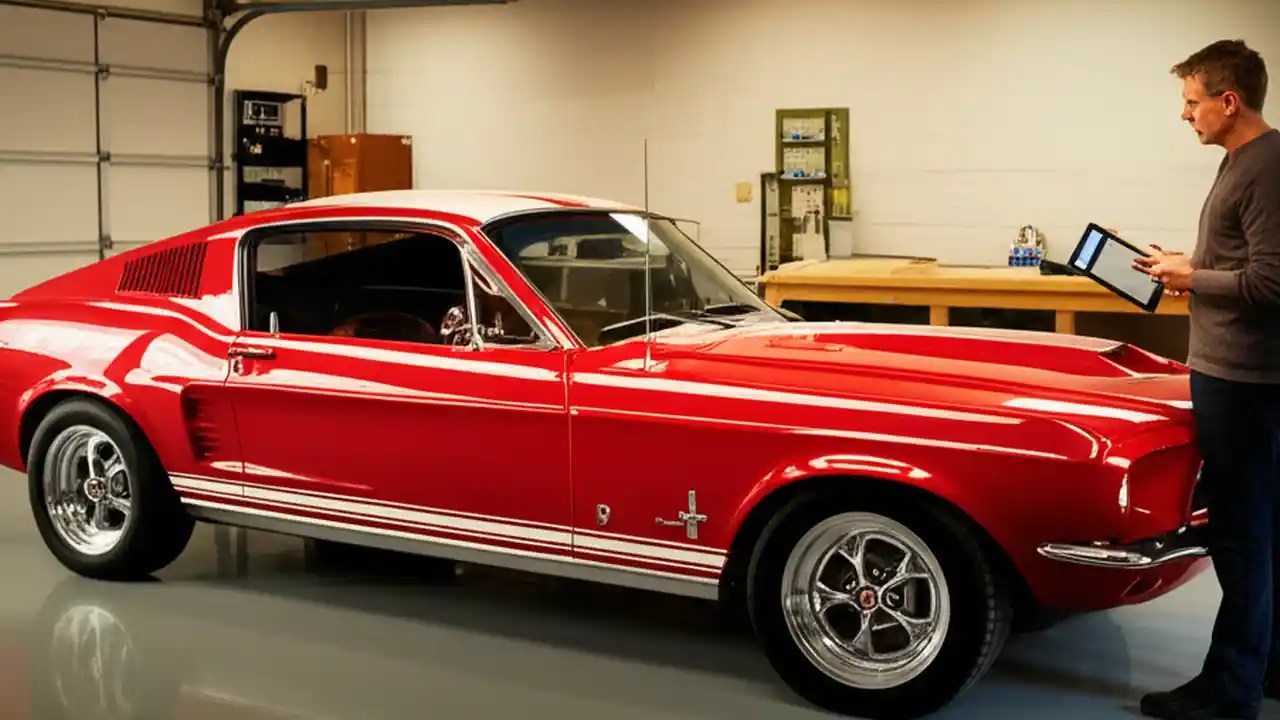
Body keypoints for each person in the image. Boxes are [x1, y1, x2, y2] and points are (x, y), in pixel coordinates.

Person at [1134, 39, 1280, 720]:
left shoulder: (1267, 167)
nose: (1184, 115)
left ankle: (1230, 690)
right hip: (1233, 373)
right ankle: (1266, 668)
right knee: (1260, 531)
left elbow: (1271, 284)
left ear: (1229, 101)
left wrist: (1193, 278)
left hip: (1244, 381)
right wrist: (1187, 263)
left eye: (1192, 102)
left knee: (1242, 535)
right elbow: (1242, 262)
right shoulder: (1240, 161)